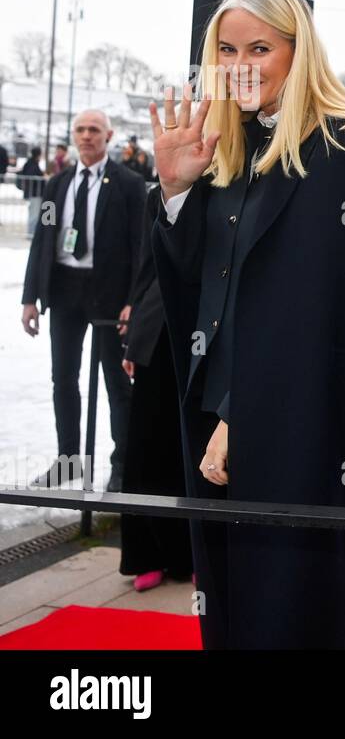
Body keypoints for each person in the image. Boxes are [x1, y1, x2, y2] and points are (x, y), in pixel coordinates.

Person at [149, 0, 345, 649]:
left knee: (296, 618)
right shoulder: (225, 146)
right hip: (212, 423)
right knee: (232, 613)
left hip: (313, 433)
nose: (240, 63)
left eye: (260, 47)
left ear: (299, 51)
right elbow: (195, 288)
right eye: (226, 49)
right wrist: (175, 191)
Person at [20, 111, 144, 491]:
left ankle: (122, 467)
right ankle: (69, 460)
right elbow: (43, 240)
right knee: (64, 379)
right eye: (80, 130)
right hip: (64, 291)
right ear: (73, 136)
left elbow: (141, 245)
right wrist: (30, 298)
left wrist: (133, 301)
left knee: (116, 383)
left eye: (94, 130)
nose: (87, 136)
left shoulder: (129, 184)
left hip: (109, 294)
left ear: (108, 135)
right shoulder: (56, 185)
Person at [118, 184, 193, 591]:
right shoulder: (156, 195)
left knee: (197, 450)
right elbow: (147, 269)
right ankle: (147, 555)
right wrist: (136, 338)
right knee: (147, 447)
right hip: (158, 332)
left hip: (209, 334)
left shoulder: (238, 184)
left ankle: (198, 555)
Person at [17, 147, 44, 238]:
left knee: (34, 213)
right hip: (34, 193)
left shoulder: (31, 163)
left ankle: (32, 233)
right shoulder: (32, 164)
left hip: (34, 192)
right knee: (34, 214)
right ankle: (31, 233)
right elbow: (32, 177)